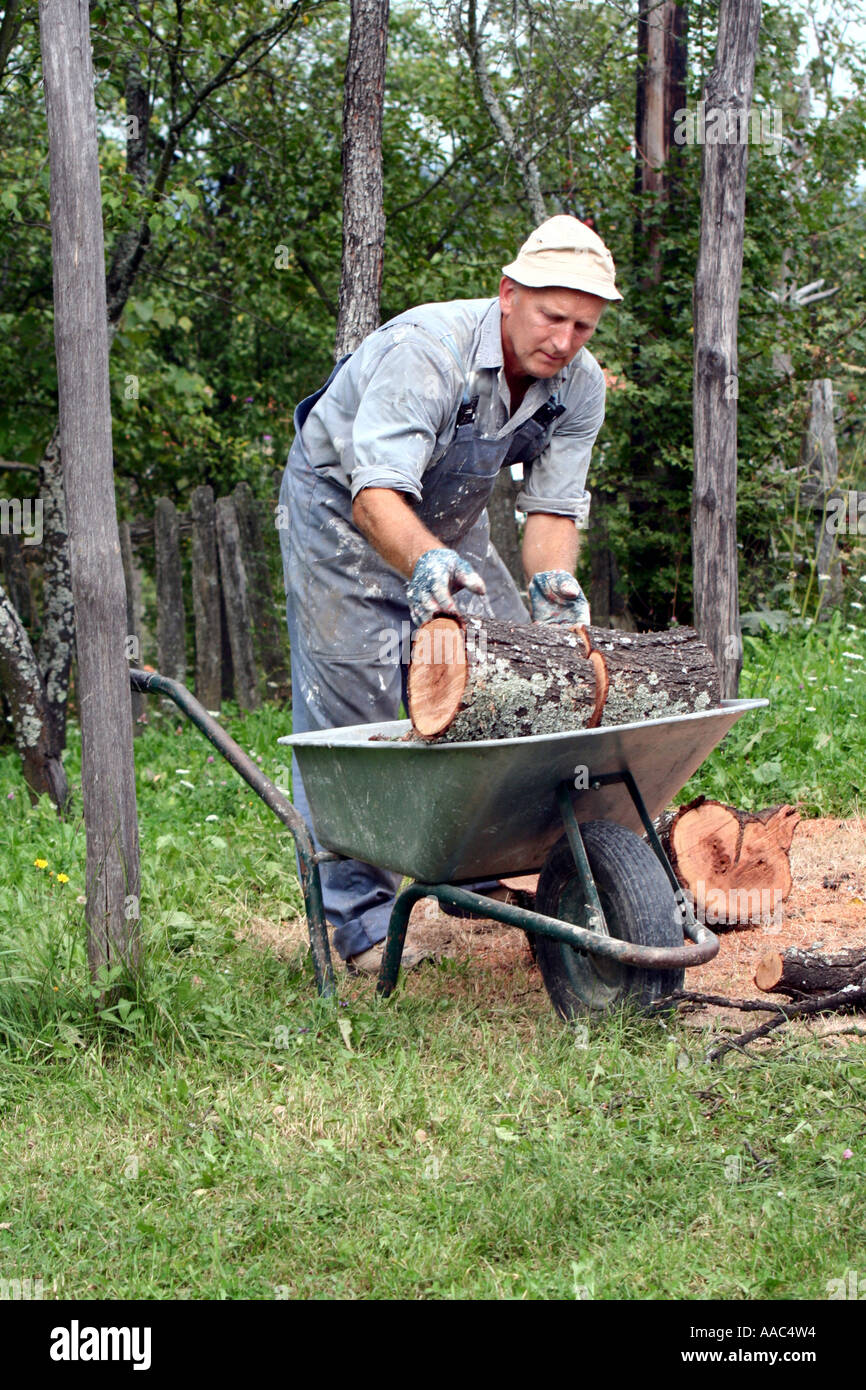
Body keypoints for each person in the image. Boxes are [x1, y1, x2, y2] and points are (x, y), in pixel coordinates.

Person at [278, 214, 623, 973]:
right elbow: (375, 500)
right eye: (552, 316)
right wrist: (424, 568)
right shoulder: (424, 354)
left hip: (446, 516)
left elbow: (553, 511)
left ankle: (473, 869)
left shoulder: (580, 385)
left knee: (504, 676)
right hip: (344, 507)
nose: (565, 340)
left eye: (584, 326)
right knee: (355, 696)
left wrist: (551, 581)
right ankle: (362, 926)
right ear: (508, 293)